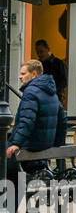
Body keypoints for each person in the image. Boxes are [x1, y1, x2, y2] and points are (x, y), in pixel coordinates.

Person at [4, 60, 63, 205]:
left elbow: (26, 120)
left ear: (34, 74)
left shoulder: (31, 92)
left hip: (31, 145)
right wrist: (57, 144)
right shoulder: (52, 92)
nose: (20, 77)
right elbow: (63, 120)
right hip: (44, 145)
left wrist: (16, 143)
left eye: (23, 74)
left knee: (11, 171)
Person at [34, 39, 67, 105]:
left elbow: (64, 81)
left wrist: (55, 91)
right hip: (41, 97)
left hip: (56, 97)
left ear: (48, 49)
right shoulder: (37, 65)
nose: (39, 54)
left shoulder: (58, 63)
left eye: (41, 51)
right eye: (38, 52)